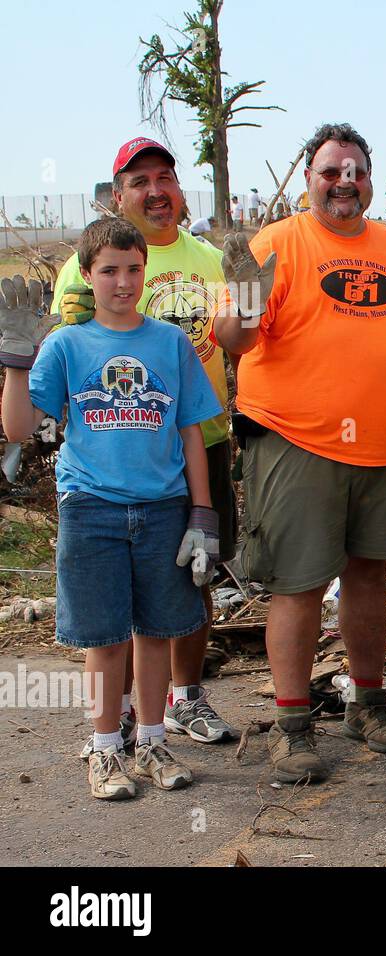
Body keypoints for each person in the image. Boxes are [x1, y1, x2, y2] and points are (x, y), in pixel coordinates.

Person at [215, 123, 386, 783]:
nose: (345, 181)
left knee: (368, 577)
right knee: (299, 583)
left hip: (382, 447)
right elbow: (232, 341)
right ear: (308, 177)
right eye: (332, 170)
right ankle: (291, 724)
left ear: (369, 179)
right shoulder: (277, 242)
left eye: (356, 171)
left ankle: (368, 704)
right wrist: (245, 305)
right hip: (294, 442)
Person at [2, 218, 222, 799]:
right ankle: (105, 750)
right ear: (87, 274)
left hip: (162, 508)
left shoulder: (170, 343)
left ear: (144, 271)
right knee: (105, 640)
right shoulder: (67, 345)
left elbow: (192, 431)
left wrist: (202, 513)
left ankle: (151, 740)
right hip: (91, 508)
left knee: (156, 632)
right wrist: (16, 364)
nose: (122, 282)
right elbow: (19, 429)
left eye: (132, 269)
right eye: (109, 271)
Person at [52, 137, 239, 751]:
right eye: (140, 181)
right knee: (115, 604)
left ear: (181, 191)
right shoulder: (91, 264)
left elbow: (238, 341)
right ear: (118, 195)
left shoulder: (209, 260)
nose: (155, 191)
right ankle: (122, 717)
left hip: (197, 439)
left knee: (189, 577)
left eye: (165, 177)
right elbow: (66, 355)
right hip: (112, 458)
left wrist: (250, 293)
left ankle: (185, 698)